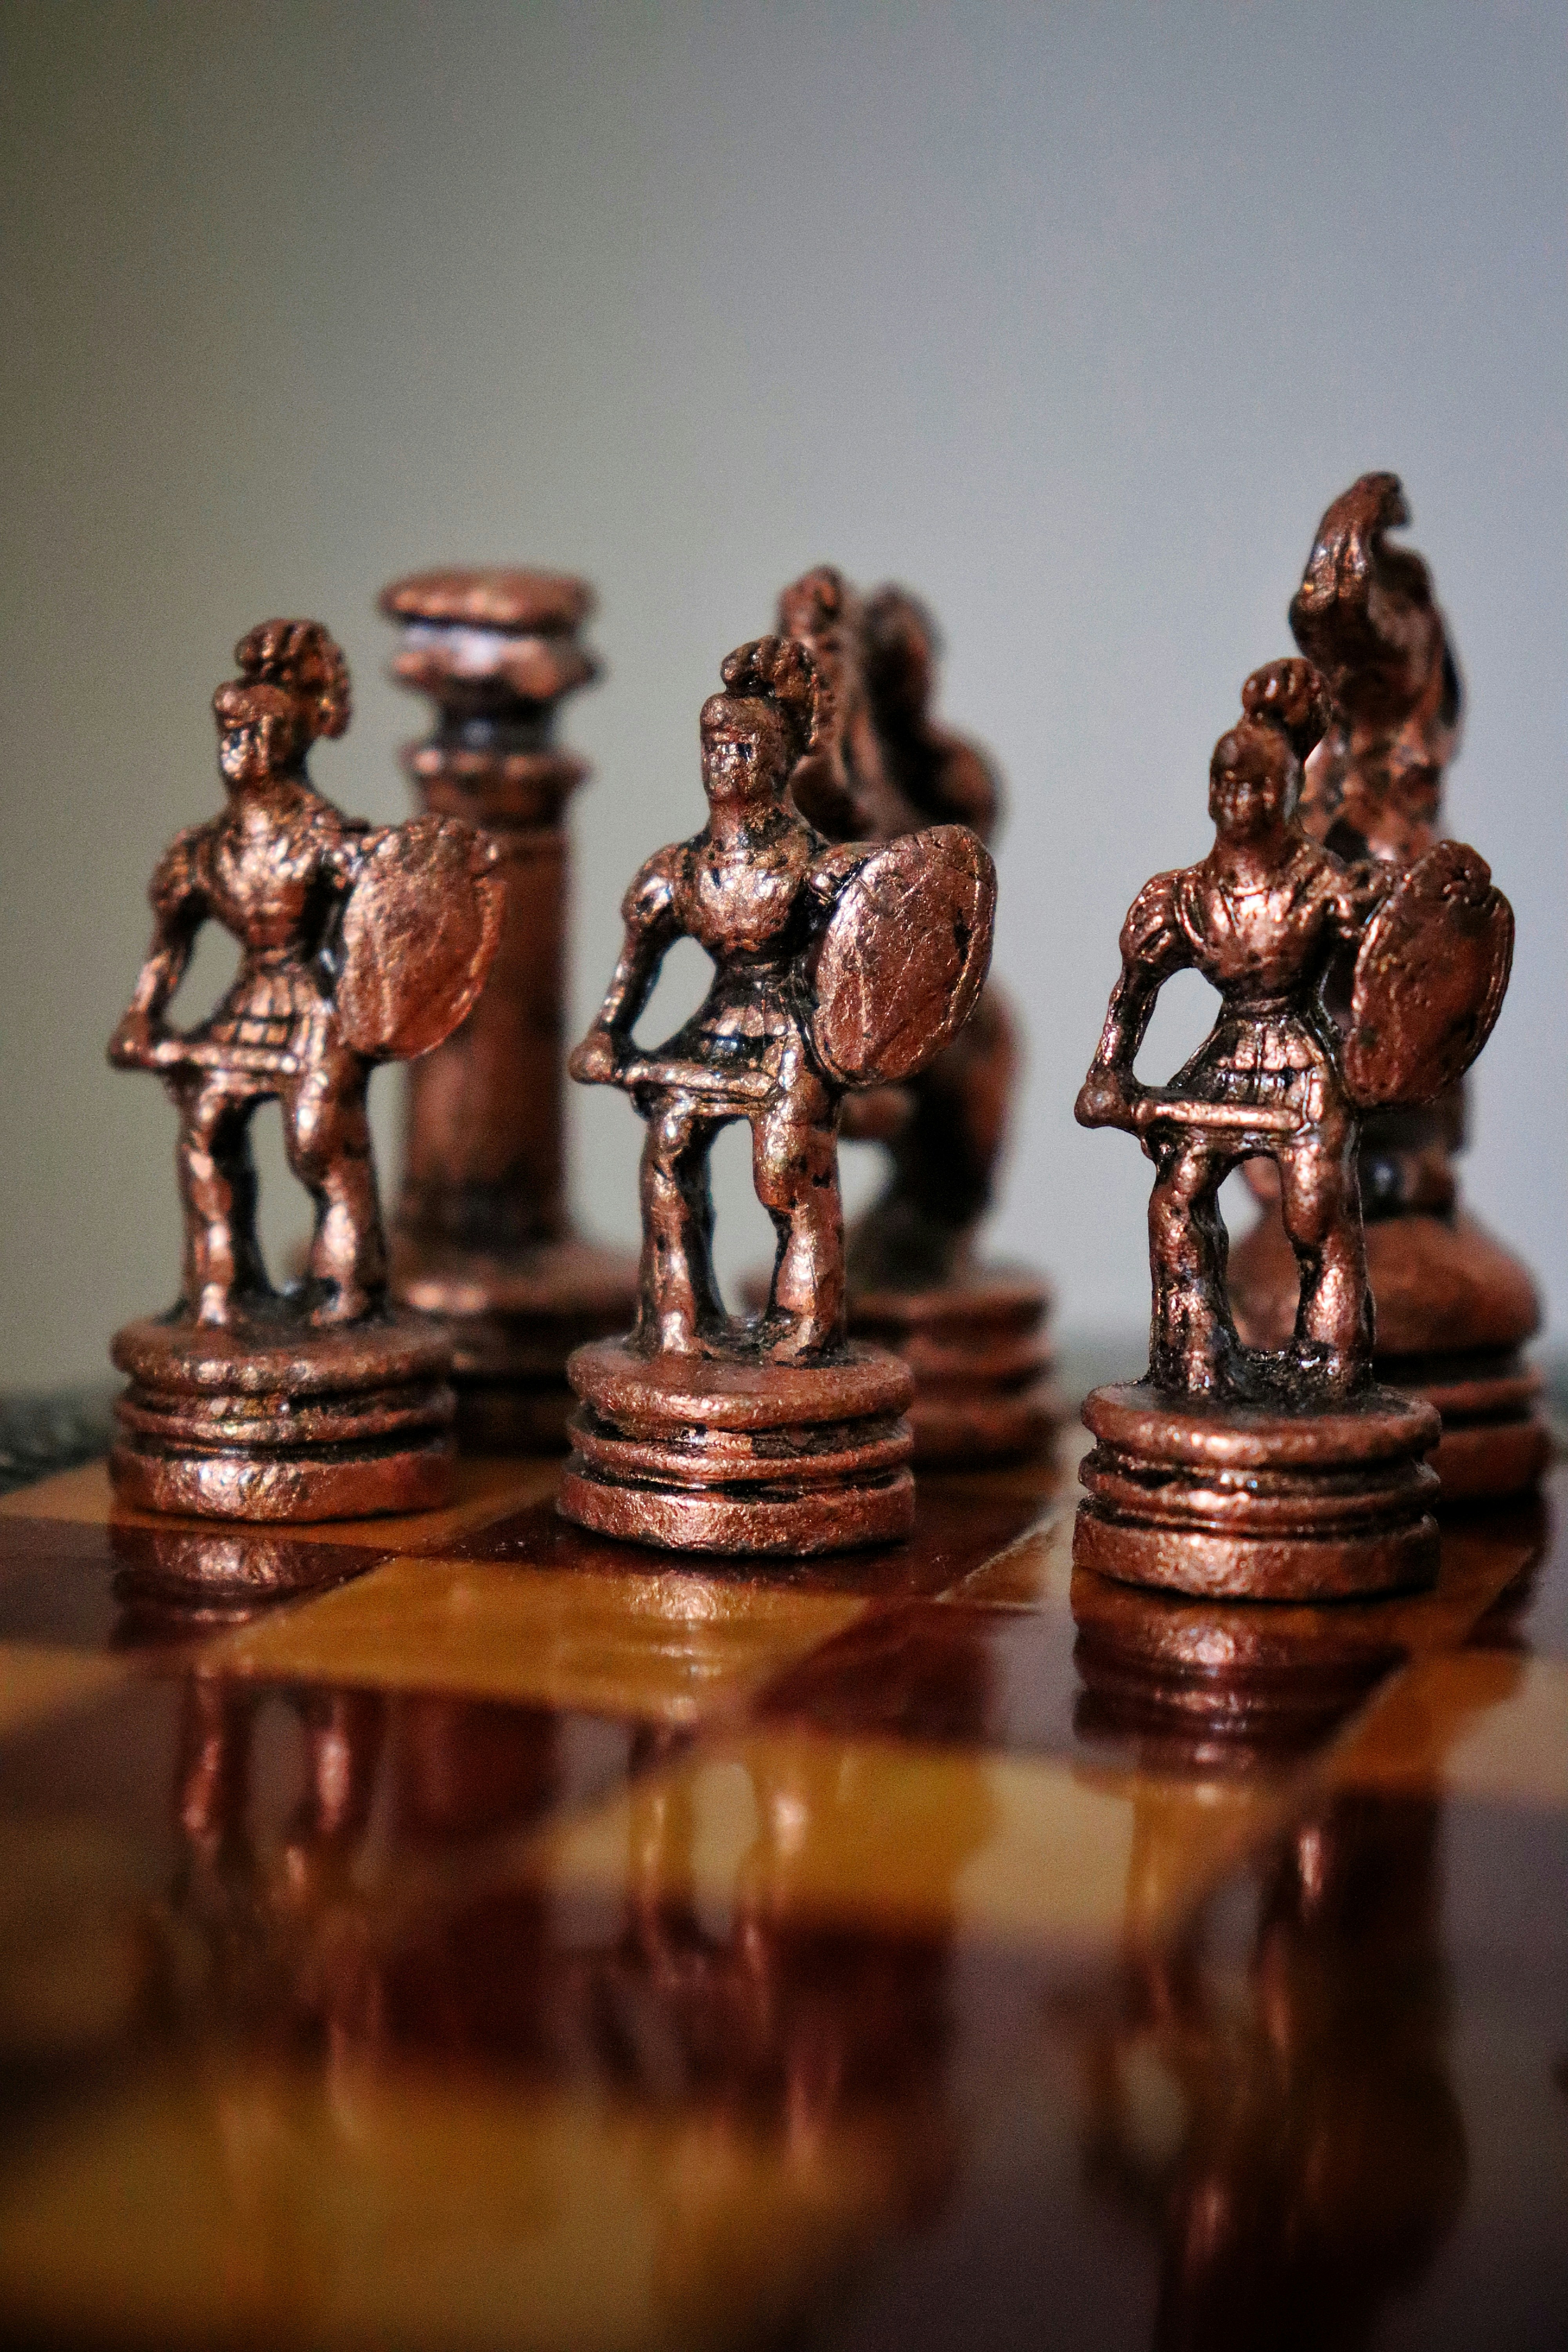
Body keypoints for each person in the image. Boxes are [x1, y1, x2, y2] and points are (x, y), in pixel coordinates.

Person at [1076, 657, 1393, 1398]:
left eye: (1255, 786)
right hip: (1229, 1054)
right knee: (1178, 1195)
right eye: (1224, 783)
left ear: (1290, 794)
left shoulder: (1320, 886)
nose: (1236, 799)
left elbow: (1385, 981)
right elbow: (1132, 997)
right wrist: (1111, 1076)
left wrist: (1374, 915)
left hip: (1302, 1059)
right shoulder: (1182, 898)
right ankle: (1196, 1360)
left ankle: (1331, 1366)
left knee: (1317, 1217)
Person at [570, 636, 864, 1361]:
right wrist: (609, 1035)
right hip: (716, 1028)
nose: (723, 761)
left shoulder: (819, 870)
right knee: (670, 1146)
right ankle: (678, 1318)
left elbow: (863, 970)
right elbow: (631, 974)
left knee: (786, 1172)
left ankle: (805, 1329)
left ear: (780, 758)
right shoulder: (678, 871)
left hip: (791, 1034)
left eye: (742, 747)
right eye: (714, 745)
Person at [109, 620, 388, 1327]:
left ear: (293, 739)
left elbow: (384, 921)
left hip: (314, 1005)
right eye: (231, 731)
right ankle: (220, 1288)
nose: (241, 747)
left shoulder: (325, 836)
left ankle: (347, 1293)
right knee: (207, 1124)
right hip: (247, 1001)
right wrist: (144, 1014)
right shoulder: (202, 853)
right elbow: (170, 945)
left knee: (318, 1144)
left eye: (261, 731)